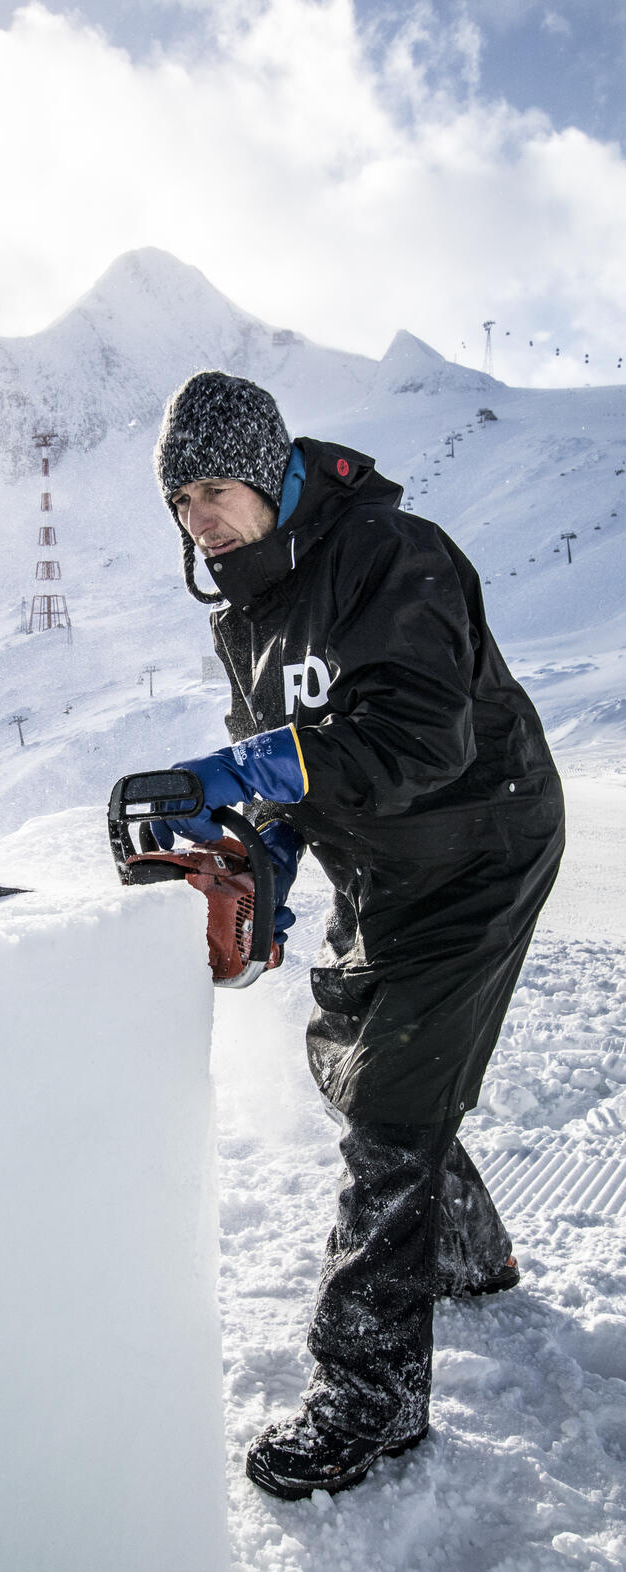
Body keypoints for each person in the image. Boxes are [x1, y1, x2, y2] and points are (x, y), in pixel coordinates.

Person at [150, 370, 565, 1501]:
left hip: (478, 844)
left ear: (276, 474)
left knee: (391, 1105)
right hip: (384, 864)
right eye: (182, 501)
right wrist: (264, 869)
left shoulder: (391, 554)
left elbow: (419, 737)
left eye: (217, 488)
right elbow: (297, 786)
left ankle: (370, 1397)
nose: (201, 517)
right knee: (350, 1063)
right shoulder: (248, 616)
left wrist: (253, 764)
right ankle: (469, 1255)